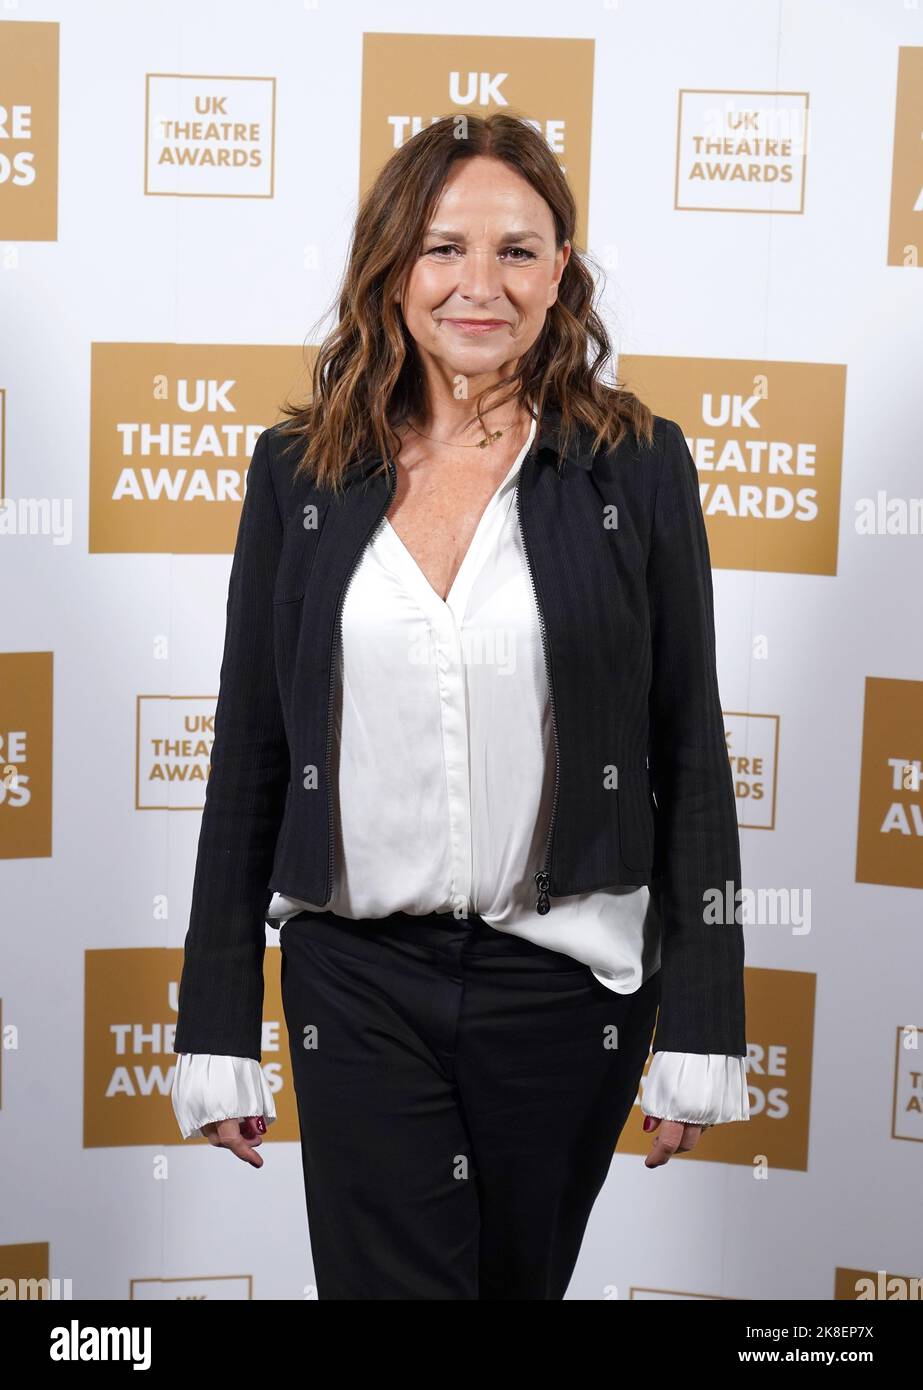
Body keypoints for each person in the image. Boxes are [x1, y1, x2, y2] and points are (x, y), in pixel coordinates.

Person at [171, 112, 749, 1300]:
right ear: (391, 267)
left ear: (561, 276)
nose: (478, 285)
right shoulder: (300, 473)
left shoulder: (634, 465)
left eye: (517, 251)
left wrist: (701, 1023)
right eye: (442, 249)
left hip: (563, 988)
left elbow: (686, 746)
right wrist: (217, 1022)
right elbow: (250, 753)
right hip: (356, 979)